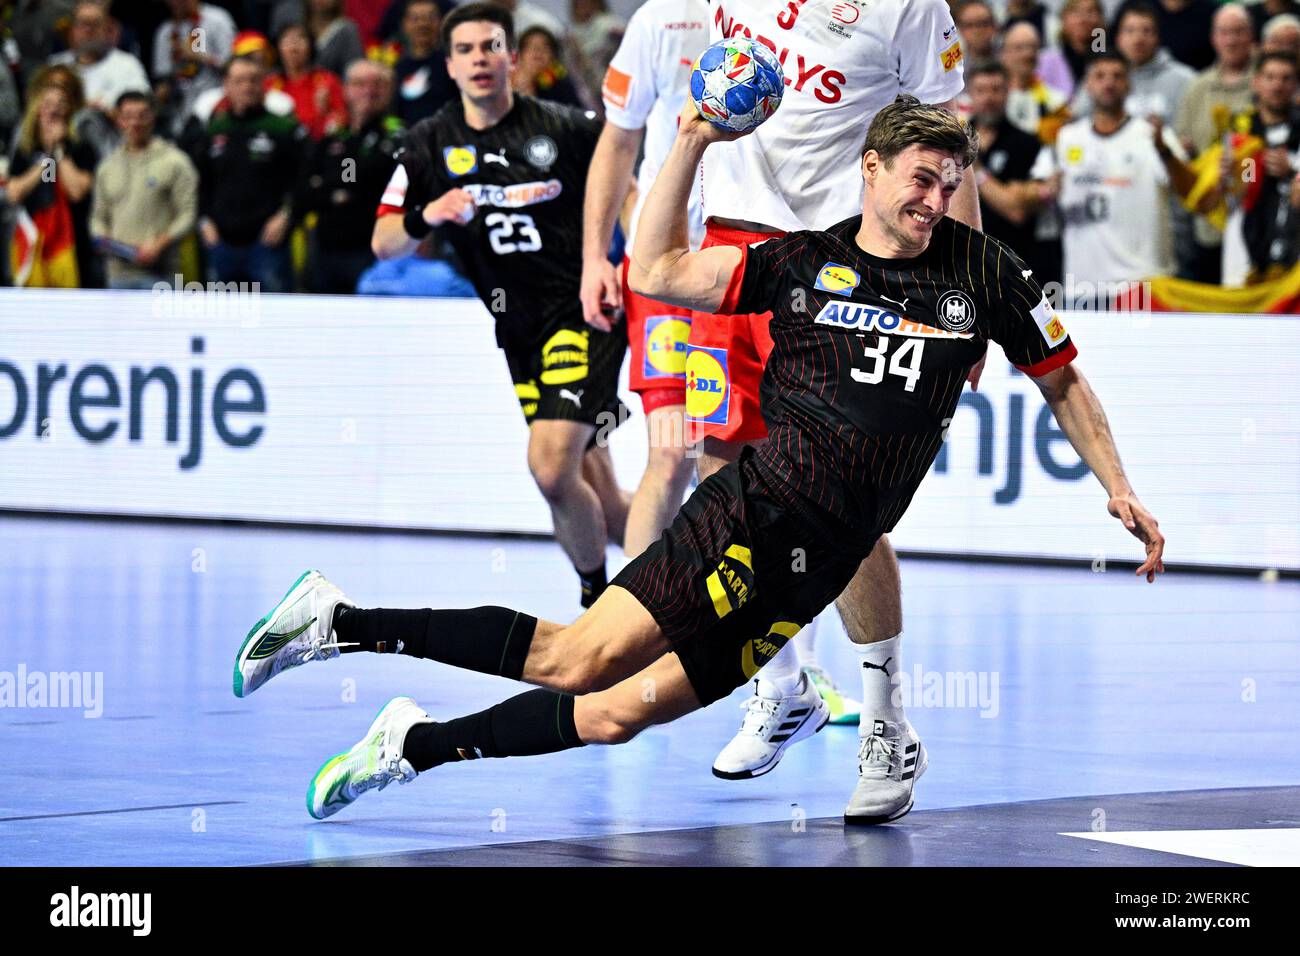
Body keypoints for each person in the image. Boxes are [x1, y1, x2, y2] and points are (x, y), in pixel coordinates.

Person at [232, 95, 1166, 824]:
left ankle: (412, 747)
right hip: (746, 518)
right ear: (871, 169)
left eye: (949, 180)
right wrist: (689, 142)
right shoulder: (801, 261)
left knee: (615, 716)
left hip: (816, 571)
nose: (933, 200)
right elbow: (655, 271)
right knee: (576, 661)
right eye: (919, 178)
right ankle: (337, 620)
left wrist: (1118, 486)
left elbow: (1063, 381)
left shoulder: (986, 273)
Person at [372, 2, 630, 609]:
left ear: (513, 59)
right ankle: (691, 598)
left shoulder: (568, 128)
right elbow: (384, 244)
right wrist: (428, 214)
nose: (480, 59)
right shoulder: (428, 144)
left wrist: (623, 262)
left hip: (581, 314)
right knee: (598, 489)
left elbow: (629, 191)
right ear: (450, 66)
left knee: (549, 468)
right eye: (465, 50)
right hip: (515, 332)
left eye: (491, 47)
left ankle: (598, 603)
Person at [579, 0, 707, 565]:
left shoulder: (790, 15)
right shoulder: (661, 18)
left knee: (758, 461)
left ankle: (780, 652)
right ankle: (627, 629)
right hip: (665, 267)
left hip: (759, 265)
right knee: (673, 451)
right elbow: (618, 139)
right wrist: (594, 258)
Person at [1047, 52, 1197, 302]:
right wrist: (1047, 189)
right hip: (1082, 286)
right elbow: (1039, 191)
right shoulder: (1066, 137)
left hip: (1143, 284)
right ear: (1087, 84)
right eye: (1100, 76)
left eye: (1117, 76)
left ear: (1129, 84)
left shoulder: (1154, 136)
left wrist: (1164, 150)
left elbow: (1191, 192)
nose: (1109, 83)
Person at [195, 56, 309, 292]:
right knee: (221, 319)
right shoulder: (214, 129)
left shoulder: (284, 128)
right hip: (220, 241)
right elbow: (200, 182)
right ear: (226, 85)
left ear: (264, 84)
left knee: (274, 320)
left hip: (267, 242)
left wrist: (286, 216)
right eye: (239, 81)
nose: (247, 87)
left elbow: (302, 180)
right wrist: (204, 220)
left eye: (254, 80)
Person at [299, 59, 403, 292]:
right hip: (324, 249)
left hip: (373, 251)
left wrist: (332, 186)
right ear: (345, 90)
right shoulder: (332, 137)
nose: (369, 91)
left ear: (389, 90)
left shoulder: (398, 134)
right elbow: (305, 190)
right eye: (359, 84)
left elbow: (374, 184)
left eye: (378, 84)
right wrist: (337, 191)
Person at [1174, 3, 1256, 284]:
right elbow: (1182, 151)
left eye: (1238, 32)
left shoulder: (1266, 82)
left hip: (1256, 218)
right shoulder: (1197, 87)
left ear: (1251, 36)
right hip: (1207, 221)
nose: (1231, 40)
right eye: (1224, 32)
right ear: (1213, 38)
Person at [89, 91, 199, 290]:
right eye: (128, 116)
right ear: (118, 120)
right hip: (117, 274)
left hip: (161, 273)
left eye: (142, 115)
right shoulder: (107, 167)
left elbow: (188, 215)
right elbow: (98, 217)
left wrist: (159, 244)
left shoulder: (175, 162)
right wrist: (104, 239)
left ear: (153, 117)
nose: (135, 123)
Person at [6, 81, 96, 287]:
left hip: (73, 243)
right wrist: (46, 158)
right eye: (48, 103)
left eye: (61, 103)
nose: (54, 108)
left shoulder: (80, 148)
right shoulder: (25, 149)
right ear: (37, 109)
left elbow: (76, 192)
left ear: (69, 111)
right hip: (32, 242)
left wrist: (59, 152)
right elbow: (14, 193)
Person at [48, 2, 151, 115]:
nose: (88, 30)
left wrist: (109, 112)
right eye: (83, 24)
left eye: (94, 24)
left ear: (107, 29)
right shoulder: (56, 66)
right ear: (73, 29)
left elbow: (143, 107)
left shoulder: (128, 65)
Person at [152, 0, 237, 137]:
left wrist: (200, 56)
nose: (175, 3)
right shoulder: (166, 31)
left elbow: (233, 65)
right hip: (181, 112)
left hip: (217, 102)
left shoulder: (217, 19)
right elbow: (164, 77)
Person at [267, 23, 348, 139]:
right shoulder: (269, 84)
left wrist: (324, 113)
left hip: (318, 144)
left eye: (300, 39)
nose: (293, 47)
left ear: (311, 46)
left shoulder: (328, 81)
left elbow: (342, 119)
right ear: (278, 48)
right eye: (287, 40)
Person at [391, 0, 456, 125]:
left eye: (430, 17)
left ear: (441, 22)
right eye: (415, 19)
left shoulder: (453, 63)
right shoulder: (397, 68)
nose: (423, 24)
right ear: (404, 24)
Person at [513, 25, 584, 108]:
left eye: (545, 47)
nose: (538, 51)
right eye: (531, 46)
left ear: (553, 55)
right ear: (520, 55)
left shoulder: (562, 86)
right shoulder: (507, 82)